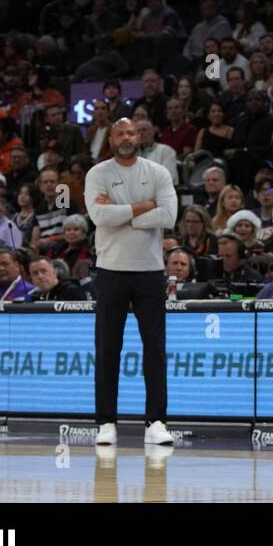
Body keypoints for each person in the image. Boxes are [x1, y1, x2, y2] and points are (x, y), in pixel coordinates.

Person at [83, 117, 178, 448]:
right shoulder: (98, 174)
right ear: (110, 139)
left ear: (139, 137)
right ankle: (106, 422)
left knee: (155, 350)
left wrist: (122, 213)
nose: (126, 137)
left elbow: (168, 216)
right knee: (108, 349)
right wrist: (143, 207)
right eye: (119, 133)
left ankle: (156, 422)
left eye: (131, 132)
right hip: (110, 270)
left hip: (150, 272)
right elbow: (99, 217)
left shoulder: (158, 173)